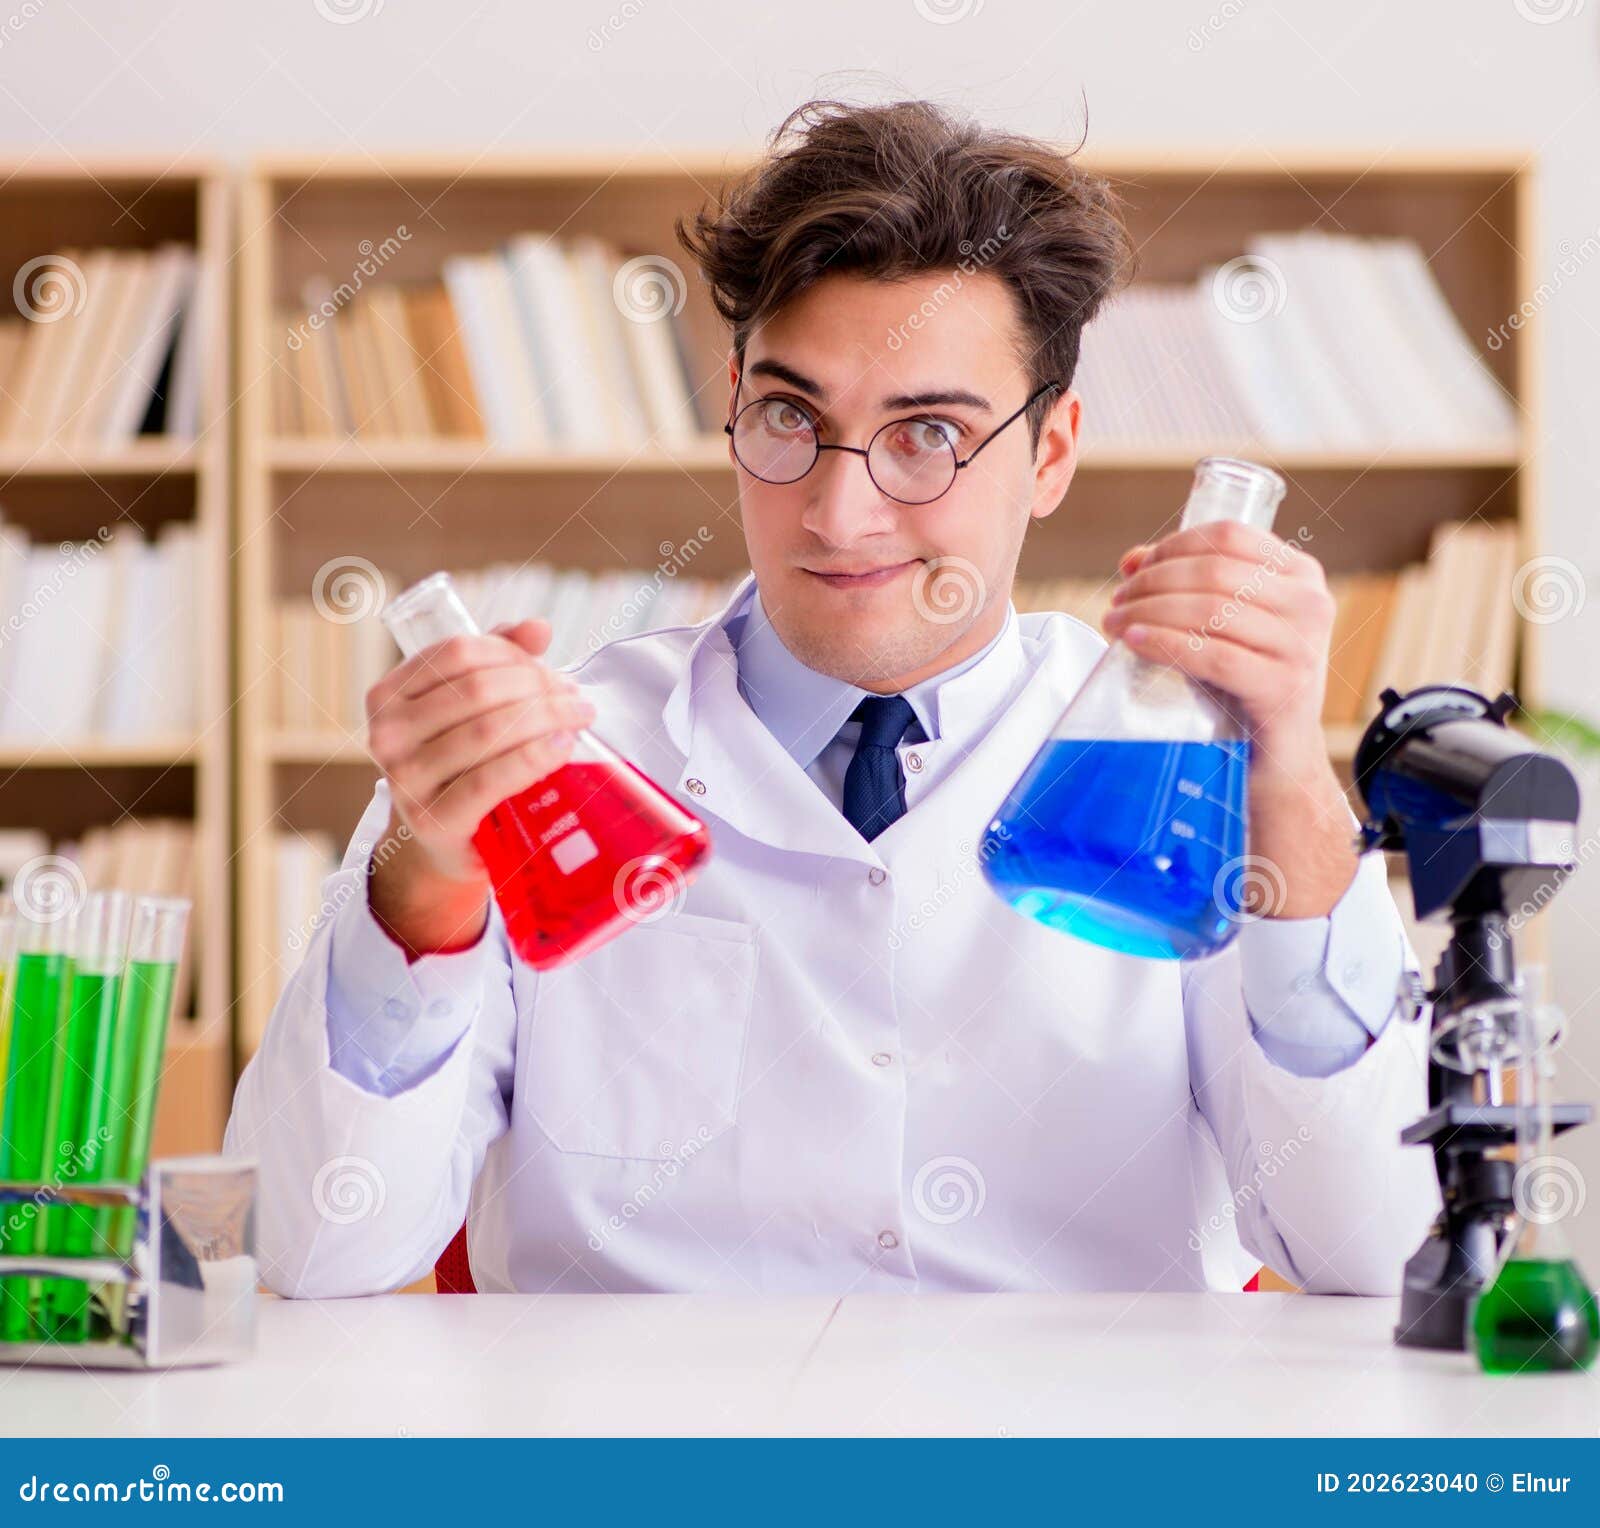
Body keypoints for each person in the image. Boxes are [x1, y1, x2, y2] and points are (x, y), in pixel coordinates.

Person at [226, 98, 1439, 1299]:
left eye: (927, 436)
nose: (838, 512)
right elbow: (306, 1249)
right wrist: (426, 874)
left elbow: (1375, 1245)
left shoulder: (1178, 766)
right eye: (789, 416)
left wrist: (1285, 777)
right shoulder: (541, 757)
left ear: (1051, 452)